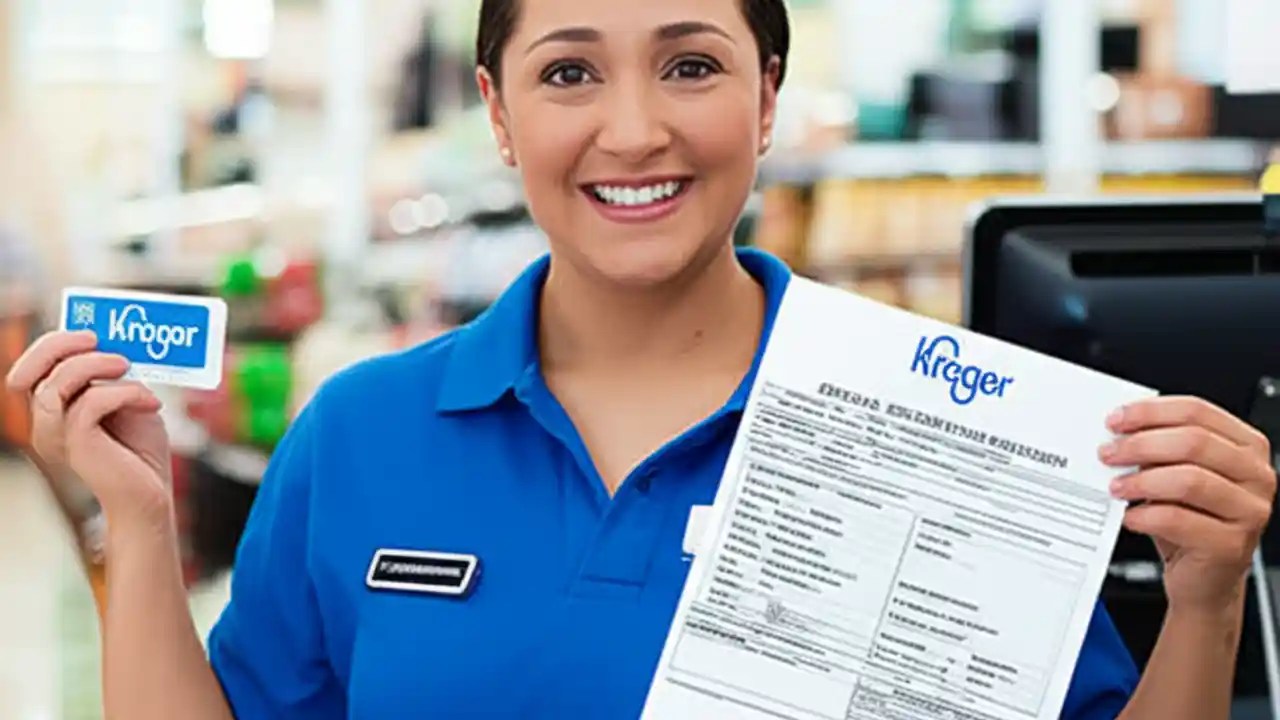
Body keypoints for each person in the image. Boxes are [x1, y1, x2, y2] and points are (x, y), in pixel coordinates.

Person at [4, 0, 1275, 718]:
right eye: (567, 73)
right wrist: (130, 511)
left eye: (689, 64)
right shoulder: (360, 433)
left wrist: (1208, 598)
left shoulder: (937, 423)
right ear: (499, 117)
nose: (632, 128)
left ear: (765, 98)